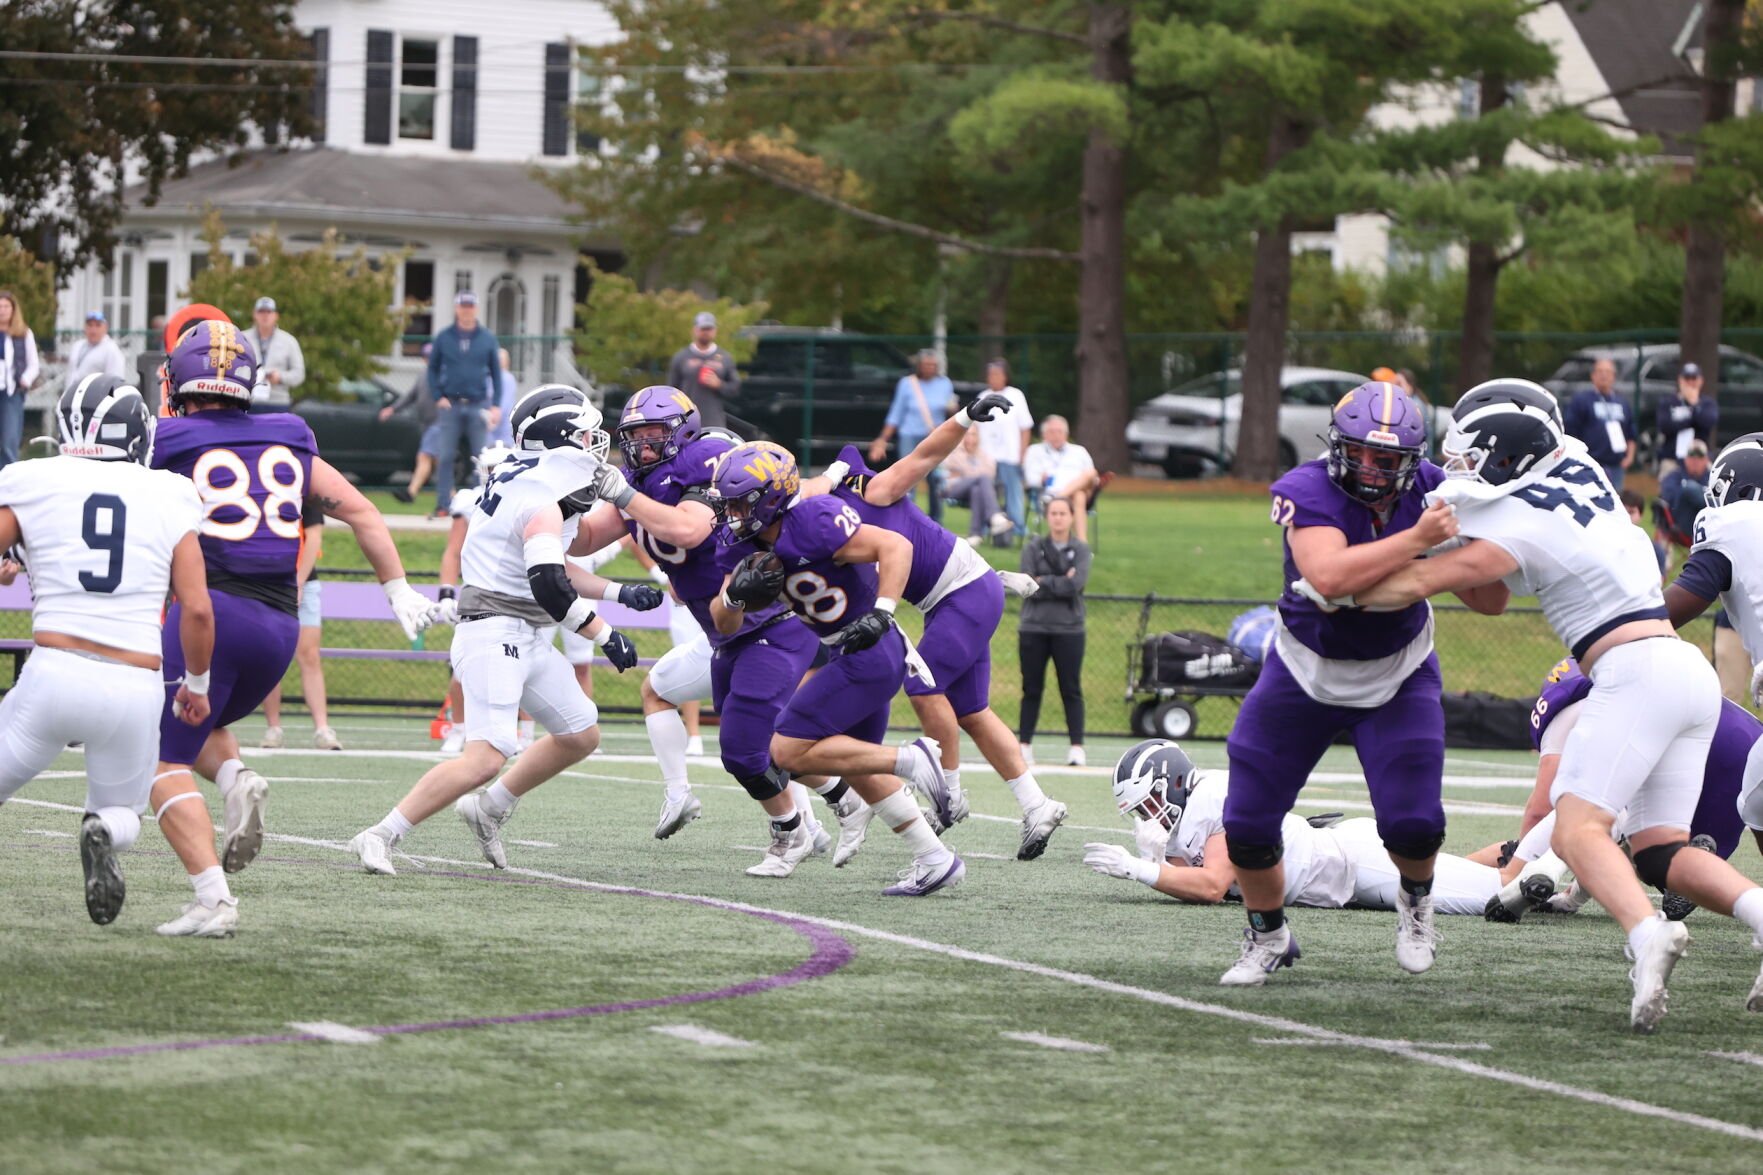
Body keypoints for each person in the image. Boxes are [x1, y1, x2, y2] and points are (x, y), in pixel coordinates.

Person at [1342, 379, 1763, 1032]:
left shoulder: (1520, 520)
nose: (1459, 469)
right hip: (1685, 672)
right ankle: (1759, 913)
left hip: (1633, 671)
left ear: (1506, 455)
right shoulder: (1579, 470)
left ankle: (1647, 931)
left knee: (1574, 830)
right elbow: (1491, 594)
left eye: (1469, 455)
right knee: (1656, 850)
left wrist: (1337, 587)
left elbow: (1423, 580)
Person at [148, 318, 435, 938]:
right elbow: (361, 510)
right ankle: (235, 778)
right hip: (278, 628)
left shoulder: (168, 439)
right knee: (209, 721)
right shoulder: (289, 436)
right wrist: (397, 588)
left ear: (181, 381)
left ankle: (212, 899)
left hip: (211, 617)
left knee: (159, 754)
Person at [1220, 381, 1465, 988]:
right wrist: (1419, 543)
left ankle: (1416, 904)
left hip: (1397, 671)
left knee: (1413, 822)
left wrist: (1480, 521)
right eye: (1359, 452)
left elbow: (1487, 596)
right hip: (1304, 667)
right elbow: (1327, 575)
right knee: (1247, 823)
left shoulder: (1438, 488)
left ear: (1411, 460)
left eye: (1387, 459)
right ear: (1338, 446)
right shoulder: (1308, 487)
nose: (1371, 469)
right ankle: (1268, 933)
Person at [351, 386, 648, 875]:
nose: (596, 443)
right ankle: (381, 834)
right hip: (494, 631)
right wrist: (604, 634)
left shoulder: (526, 480)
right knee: (486, 756)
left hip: (524, 630)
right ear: (559, 442)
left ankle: (487, 808)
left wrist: (618, 590)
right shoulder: (539, 500)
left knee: (581, 733)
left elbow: (552, 562)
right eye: (585, 435)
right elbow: (550, 585)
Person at [589, 389, 863, 873]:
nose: (643, 443)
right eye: (635, 434)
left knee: (756, 743)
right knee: (769, 740)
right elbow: (591, 534)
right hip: (722, 628)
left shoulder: (698, 469)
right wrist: (544, 513)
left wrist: (624, 495)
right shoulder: (639, 481)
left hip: (766, 621)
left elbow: (689, 530)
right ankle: (842, 802)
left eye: (654, 431)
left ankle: (822, 821)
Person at [805, 397, 1071, 858]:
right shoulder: (836, 526)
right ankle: (1037, 804)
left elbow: (927, 453)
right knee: (971, 711)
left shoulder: (875, 491)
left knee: (922, 685)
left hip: (964, 591)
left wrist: (965, 416)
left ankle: (948, 793)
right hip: (959, 594)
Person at [0, 374, 214, 926]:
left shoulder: (30, 479)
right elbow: (196, 608)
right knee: (124, 813)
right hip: (133, 680)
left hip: (53, 670)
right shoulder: (171, 491)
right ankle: (102, 834)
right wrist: (196, 685)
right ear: (138, 435)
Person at [706, 441, 962, 895]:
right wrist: (734, 596)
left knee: (784, 751)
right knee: (856, 765)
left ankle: (911, 759)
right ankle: (934, 859)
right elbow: (724, 620)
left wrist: (883, 610)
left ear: (769, 497)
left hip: (871, 643)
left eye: (739, 502)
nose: (731, 513)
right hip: (846, 651)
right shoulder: (741, 545)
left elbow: (895, 545)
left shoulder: (815, 519)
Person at [1083, 741, 1520, 916]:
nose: (1150, 817)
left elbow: (1212, 886)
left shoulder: (1213, 798)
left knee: (1496, 896)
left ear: (1173, 783)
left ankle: (1555, 861)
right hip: (1342, 871)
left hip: (1355, 865)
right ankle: (1511, 851)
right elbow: (1187, 879)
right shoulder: (1186, 817)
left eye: (1151, 804)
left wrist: (1139, 869)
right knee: (1448, 876)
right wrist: (1158, 859)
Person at [1503, 656, 1763, 923]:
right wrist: (1571, 898)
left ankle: (1547, 869)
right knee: (1670, 857)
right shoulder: (1638, 677)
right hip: (1751, 740)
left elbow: (1544, 810)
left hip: (1694, 733)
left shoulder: (1594, 706)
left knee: (1613, 818)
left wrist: (1520, 863)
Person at [1016, 496, 1091, 771]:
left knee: (1070, 688)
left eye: (1063, 513)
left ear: (1071, 517)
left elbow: (1077, 584)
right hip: (1033, 627)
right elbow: (1026, 584)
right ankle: (1024, 745)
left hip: (1069, 629)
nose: (1058, 518)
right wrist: (1059, 581)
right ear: (1047, 517)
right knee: (1031, 688)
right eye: (1053, 513)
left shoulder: (1081, 550)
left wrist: (1044, 581)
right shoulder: (1033, 547)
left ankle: (1076, 746)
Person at [260, 496, 341, 751]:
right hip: (268, 582)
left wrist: (299, 582)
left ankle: (322, 728)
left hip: (304, 583)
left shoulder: (305, 494)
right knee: (271, 654)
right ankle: (273, 728)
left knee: (309, 655)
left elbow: (313, 538)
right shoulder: (265, 492)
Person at [428, 291, 502, 516]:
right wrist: (437, 395)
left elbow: (496, 374)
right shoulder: (444, 337)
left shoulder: (487, 338)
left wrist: (496, 405)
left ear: (476, 309)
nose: (467, 310)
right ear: (457, 309)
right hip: (451, 404)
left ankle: (478, 503)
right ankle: (444, 504)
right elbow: (432, 369)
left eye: (470, 306)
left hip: (478, 403)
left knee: (479, 457)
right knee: (446, 455)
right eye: (463, 306)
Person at [869, 350, 956, 524]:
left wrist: (953, 408)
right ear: (919, 366)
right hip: (909, 435)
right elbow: (896, 414)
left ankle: (936, 521)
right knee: (907, 477)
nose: (930, 368)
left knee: (936, 479)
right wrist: (882, 439)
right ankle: (906, 519)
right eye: (926, 365)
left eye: (933, 365)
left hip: (933, 436)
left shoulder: (945, 383)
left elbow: (951, 409)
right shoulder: (907, 384)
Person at [974, 359, 1033, 540]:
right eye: (991, 375)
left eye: (997, 374)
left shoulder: (1016, 395)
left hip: (1010, 455)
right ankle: (984, 528)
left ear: (1006, 376)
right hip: (987, 457)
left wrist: (1022, 453)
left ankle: (1017, 528)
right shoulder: (982, 395)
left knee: (1013, 492)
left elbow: (1025, 427)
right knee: (987, 492)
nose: (994, 378)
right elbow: (974, 429)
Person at [1023, 415, 1102, 543]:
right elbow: (1030, 479)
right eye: (1052, 432)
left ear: (1066, 434)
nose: (1056, 435)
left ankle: (1057, 498)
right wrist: (1041, 479)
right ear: (1044, 435)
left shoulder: (1079, 451)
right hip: (1046, 494)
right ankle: (1082, 544)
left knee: (1091, 474)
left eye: (1060, 431)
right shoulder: (1034, 451)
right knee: (1078, 496)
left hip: (1078, 495)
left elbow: (1094, 480)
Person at [1563, 357, 1634, 490]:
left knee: (1615, 501)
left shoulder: (1622, 402)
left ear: (1614, 376)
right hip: (1591, 462)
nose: (1604, 375)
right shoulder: (1582, 401)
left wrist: (1629, 457)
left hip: (1616, 465)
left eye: (1607, 371)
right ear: (1593, 376)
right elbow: (1570, 431)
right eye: (1600, 371)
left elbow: (1631, 432)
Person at [664, 312, 740, 429]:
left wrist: (719, 384)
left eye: (709, 329)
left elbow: (735, 389)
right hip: (686, 421)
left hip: (714, 422)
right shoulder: (682, 357)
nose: (706, 332)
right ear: (695, 330)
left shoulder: (725, 358)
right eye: (703, 328)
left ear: (715, 331)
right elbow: (671, 391)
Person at [940, 427, 1011, 546]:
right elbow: (951, 466)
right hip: (953, 489)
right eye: (967, 434)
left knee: (977, 490)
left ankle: (975, 535)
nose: (970, 438)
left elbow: (991, 472)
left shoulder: (983, 454)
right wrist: (972, 473)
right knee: (982, 479)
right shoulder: (954, 451)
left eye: (973, 434)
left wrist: (965, 472)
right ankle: (994, 516)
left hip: (970, 491)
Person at [0, 290, 42, 469]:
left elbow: (34, 364)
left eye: (6, 306)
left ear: (13, 310)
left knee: (9, 440)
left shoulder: (23, 333)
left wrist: (24, 380)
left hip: (11, 392)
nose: (2, 310)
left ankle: (7, 485)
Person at [1656, 362, 1717, 478]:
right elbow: (1664, 426)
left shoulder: (1707, 403)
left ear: (1701, 381)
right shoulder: (1668, 403)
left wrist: (1693, 404)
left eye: (1694, 378)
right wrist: (1691, 418)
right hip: (1673, 460)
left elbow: (1708, 422)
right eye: (1687, 378)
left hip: (1700, 461)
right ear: (1680, 380)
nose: (1690, 382)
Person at [245, 296, 306, 410]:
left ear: (276, 315)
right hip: (248, 401)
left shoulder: (289, 341)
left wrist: (280, 377)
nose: (265, 315)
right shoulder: (243, 338)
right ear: (254, 314)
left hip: (278, 402)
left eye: (269, 311)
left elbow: (299, 374)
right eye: (261, 311)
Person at [65, 311, 127, 385]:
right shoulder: (77, 346)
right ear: (85, 327)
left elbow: (116, 380)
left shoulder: (111, 350)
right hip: (73, 394)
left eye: (98, 325)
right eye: (90, 325)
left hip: (95, 395)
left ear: (105, 328)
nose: (93, 330)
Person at [487, 348, 519, 446]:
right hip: (490, 422)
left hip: (501, 422)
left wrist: (493, 418)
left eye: (501, 359)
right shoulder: (489, 377)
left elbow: (505, 403)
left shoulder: (507, 378)